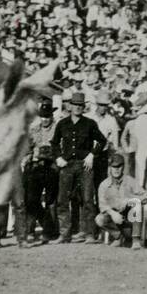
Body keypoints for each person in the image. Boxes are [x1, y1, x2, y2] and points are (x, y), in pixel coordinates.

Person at [52, 90, 108, 243]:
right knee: (63, 199)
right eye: (75, 104)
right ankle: (65, 234)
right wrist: (58, 157)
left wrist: (92, 155)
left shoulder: (90, 124)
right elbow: (54, 143)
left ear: (84, 107)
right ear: (69, 106)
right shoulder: (62, 124)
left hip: (85, 166)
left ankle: (89, 233)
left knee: (88, 199)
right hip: (67, 165)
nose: (77, 107)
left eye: (80, 105)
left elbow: (102, 141)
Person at [95, 153, 147, 249]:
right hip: (115, 219)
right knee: (99, 219)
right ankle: (118, 237)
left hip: (130, 217)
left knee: (136, 203)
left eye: (119, 166)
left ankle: (136, 240)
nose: (116, 169)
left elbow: (144, 196)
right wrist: (113, 214)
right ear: (110, 168)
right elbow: (102, 206)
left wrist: (129, 199)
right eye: (113, 167)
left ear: (123, 167)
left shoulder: (130, 181)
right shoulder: (104, 185)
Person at [22, 144, 59, 243]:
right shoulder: (32, 166)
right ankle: (31, 231)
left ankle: (48, 232)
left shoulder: (52, 168)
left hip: (50, 168)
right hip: (35, 171)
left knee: (50, 202)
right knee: (31, 201)